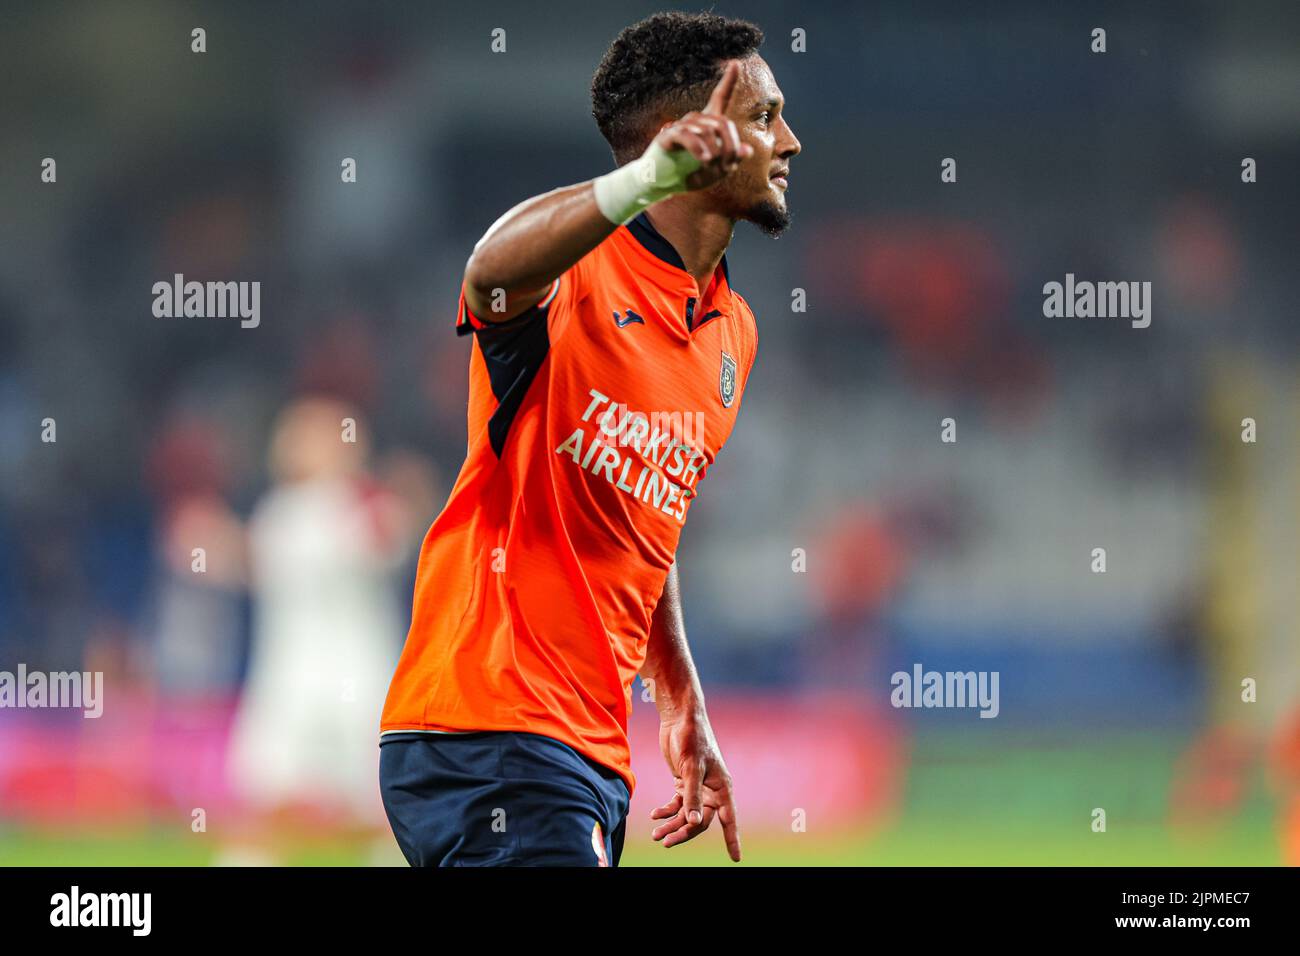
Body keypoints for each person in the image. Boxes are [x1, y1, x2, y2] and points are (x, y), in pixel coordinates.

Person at [380, 11, 800, 866]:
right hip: (490, 724)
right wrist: (647, 181)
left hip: (588, 747)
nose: (790, 142)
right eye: (763, 118)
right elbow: (487, 275)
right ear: (683, 143)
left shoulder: (733, 330)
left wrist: (679, 694)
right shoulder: (574, 269)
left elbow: (644, 520)